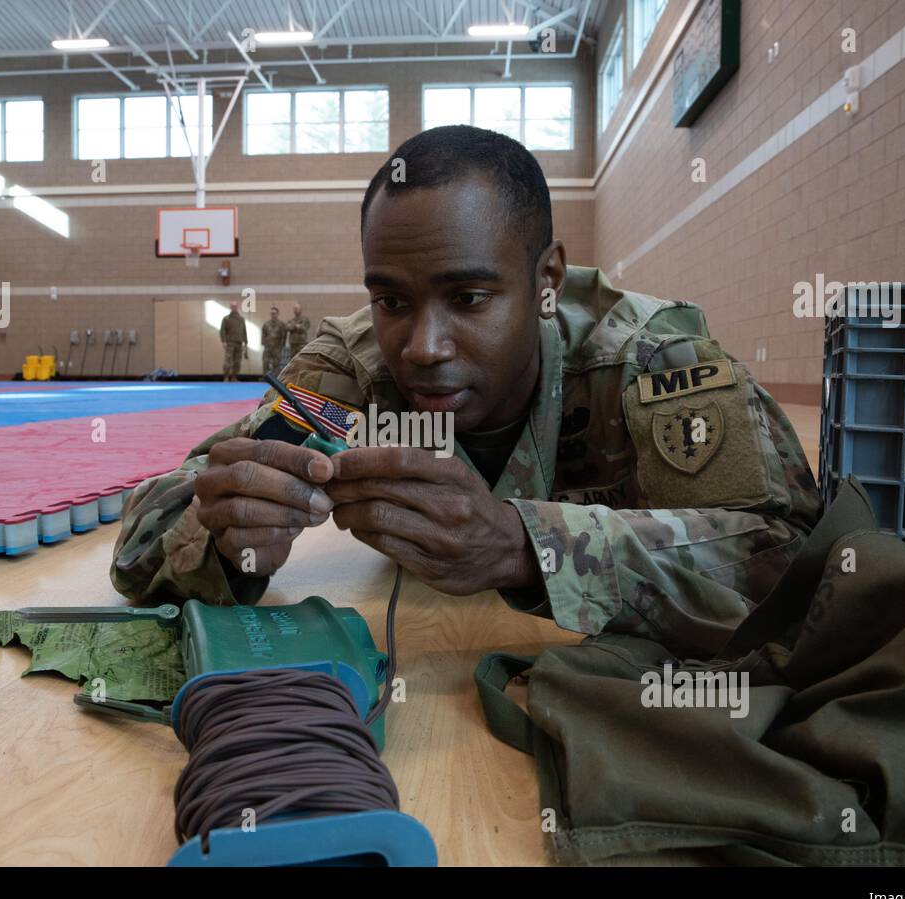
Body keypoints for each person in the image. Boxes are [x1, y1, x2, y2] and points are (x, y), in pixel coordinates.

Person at [111, 126, 821, 650]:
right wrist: (225, 532)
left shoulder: (650, 360)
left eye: (471, 298)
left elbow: (790, 556)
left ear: (546, 283)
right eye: (391, 302)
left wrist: (520, 547)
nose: (421, 347)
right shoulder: (348, 369)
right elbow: (146, 538)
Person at [219, 300, 247, 381]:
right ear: (230, 307)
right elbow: (222, 331)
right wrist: (223, 341)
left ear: (237, 307)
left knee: (237, 362)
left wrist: (245, 342)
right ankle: (226, 377)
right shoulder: (226, 319)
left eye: (235, 306)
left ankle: (234, 377)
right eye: (232, 306)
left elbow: (244, 331)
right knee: (228, 361)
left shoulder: (241, 319)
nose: (234, 308)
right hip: (230, 343)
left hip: (239, 343)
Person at [261, 306, 287, 377]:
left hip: (277, 347)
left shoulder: (281, 324)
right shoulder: (266, 324)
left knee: (276, 364)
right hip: (268, 347)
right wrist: (264, 344)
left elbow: (284, 336)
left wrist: (282, 346)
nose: (273, 315)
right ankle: (266, 378)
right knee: (265, 362)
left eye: (274, 313)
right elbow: (263, 334)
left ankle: (275, 379)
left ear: (277, 314)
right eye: (272, 313)